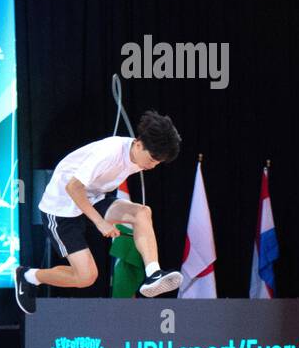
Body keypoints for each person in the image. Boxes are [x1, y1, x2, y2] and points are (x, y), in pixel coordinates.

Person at [14, 111, 183, 314]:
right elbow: (73, 187)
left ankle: (153, 274)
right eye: (152, 159)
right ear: (138, 144)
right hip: (61, 210)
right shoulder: (109, 153)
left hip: (93, 200)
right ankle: (27, 276)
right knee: (86, 277)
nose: (152, 166)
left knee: (142, 213)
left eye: (158, 163)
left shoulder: (140, 156)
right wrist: (100, 222)